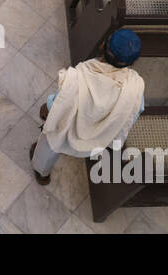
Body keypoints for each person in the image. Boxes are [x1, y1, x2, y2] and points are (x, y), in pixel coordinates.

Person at [30, 29, 146, 185]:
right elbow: (129, 118)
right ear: (132, 62)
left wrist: (47, 106)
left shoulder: (77, 76)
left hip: (66, 128)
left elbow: (59, 103)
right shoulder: (135, 88)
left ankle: (42, 174)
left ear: (103, 45)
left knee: (49, 144)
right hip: (97, 140)